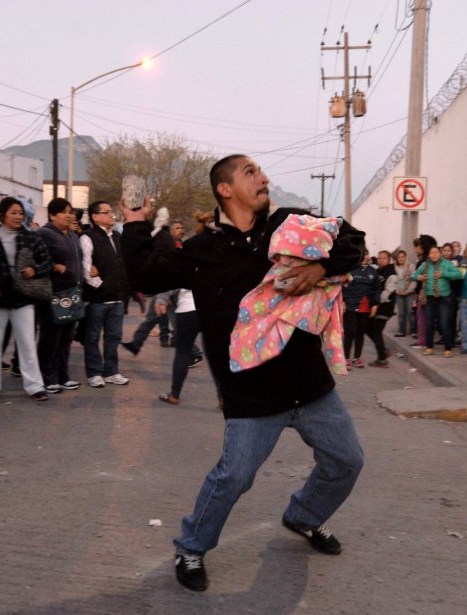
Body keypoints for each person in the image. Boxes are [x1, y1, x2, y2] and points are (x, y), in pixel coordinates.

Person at [120, 154, 365, 592]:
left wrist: (322, 266)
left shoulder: (289, 225)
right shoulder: (204, 251)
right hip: (250, 394)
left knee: (347, 460)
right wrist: (136, 222)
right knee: (234, 476)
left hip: (310, 386)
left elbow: (350, 238)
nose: (264, 177)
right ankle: (191, 546)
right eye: (250, 172)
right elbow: (145, 273)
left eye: (262, 171)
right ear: (225, 189)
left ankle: (304, 516)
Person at [0, 197, 52, 402]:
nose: (18, 217)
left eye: (21, 213)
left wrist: (35, 269)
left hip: (23, 298)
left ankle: (35, 386)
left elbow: (47, 260)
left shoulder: (30, 237)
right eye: (13, 212)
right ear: (2, 214)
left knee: (27, 343)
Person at [79, 200, 130, 388]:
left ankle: (111, 371)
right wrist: (101, 286)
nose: (111, 215)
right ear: (95, 216)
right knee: (92, 337)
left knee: (113, 337)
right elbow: (86, 268)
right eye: (106, 212)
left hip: (117, 298)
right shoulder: (88, 237)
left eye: (111, 212)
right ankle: (94, 373)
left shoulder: (117, 236)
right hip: (97, 299)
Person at [36, 198, 83, 393]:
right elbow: (34, 260)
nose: (69, 215)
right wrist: (54, 266)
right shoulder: (44, 234)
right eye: (64, 211)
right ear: (52, 215)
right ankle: (47, 378)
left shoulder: (71, 234)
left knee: (66, 337)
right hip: (53, 292)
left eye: (70, 211)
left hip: (72, 292)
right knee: (50, 337)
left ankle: (63, 376)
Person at [121, 208, 177, 355]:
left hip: (166, 283)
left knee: (168, 317)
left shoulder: (160, 236)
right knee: (157, 315)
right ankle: (137, 343)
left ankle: (191, 350)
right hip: (166, 283)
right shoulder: (162, 236)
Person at [411, 245, 461, 357]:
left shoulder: (447, 263)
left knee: (444, 324)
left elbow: (458, 274)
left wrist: (444, 274)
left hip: (444, 298)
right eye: (432, 253)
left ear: (440, 253)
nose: (434, 255)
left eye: (436, 253)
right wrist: (419, 277)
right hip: (430, 298)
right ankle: (429, 347)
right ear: (428, 255)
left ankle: (448, 348)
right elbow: (413, 275)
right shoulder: (425, 264)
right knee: (429, 324)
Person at [341, 249, 379, 368]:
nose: (365, 256)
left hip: (365, 308)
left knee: (360, 333)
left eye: (367, 254)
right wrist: (343, 301)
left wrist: (375, 304)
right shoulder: (350, 269)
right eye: (363, 254)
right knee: (350, 332)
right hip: (350, 305)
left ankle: (357, 358)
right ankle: (346, 358)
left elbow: (377, 289)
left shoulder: (373, 271)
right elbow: (343, 286)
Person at [366, 249, 396, 367]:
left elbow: (389, 291)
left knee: (376, 331)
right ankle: (383, 351)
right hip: (376, 306)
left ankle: (382, 359)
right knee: (368, 328)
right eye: (379, 258)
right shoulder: (377, 271)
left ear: (389, 259)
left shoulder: (391, 273)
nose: (381, 260)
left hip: (385, 307)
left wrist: (376, 302)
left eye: (384, 258)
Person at [391, 249, 415, 338]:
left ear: (405, 257)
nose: (401, 258)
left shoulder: (411, 266)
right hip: (399, 293)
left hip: (409, 293)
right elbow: (393, 281)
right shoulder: (395, 268)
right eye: (399, 257)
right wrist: (397, 290)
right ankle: (401, 331)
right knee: (401, 313)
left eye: (402, 256)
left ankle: (413, 331)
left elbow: (414, 280)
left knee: (410, 312)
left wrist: (408, 291)